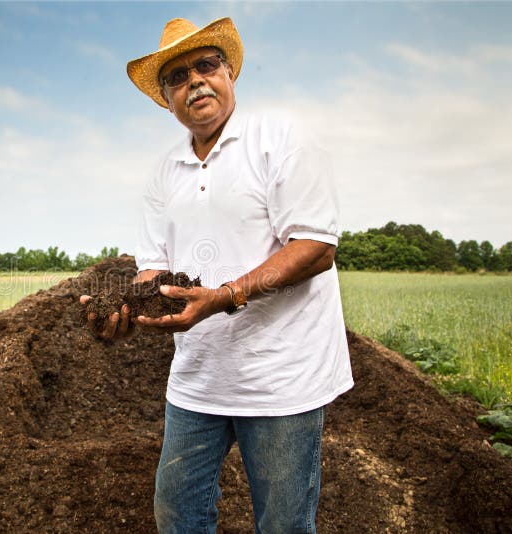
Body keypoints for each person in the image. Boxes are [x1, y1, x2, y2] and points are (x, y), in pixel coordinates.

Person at [81, 16, 353, 533]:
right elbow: (154, 269)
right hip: (198, 380)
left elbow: (316, 247)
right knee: (178, 512)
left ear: (228, 71)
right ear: (166, 98)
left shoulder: (280, 138)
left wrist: (226, 296)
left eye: (205, 65)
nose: (194, 82)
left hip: (281, 378)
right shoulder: (165, 171)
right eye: (177, 77)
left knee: (283, 524)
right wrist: (117, 309)